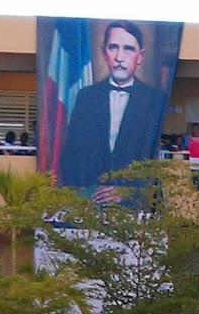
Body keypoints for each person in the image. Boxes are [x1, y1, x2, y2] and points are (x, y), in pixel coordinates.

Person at [57, 21, 166, 195]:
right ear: (104, 52)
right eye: (113, 47)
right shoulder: (86, 96)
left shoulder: (156, 100)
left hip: (135, 202)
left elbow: (154, 161)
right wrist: (85, 191)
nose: (119, 57)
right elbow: (72, 151)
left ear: (141, 56)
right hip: (91, 201)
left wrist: (126, 193)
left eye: (128, 49)